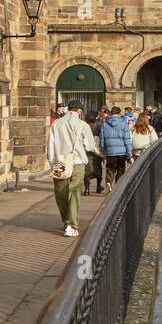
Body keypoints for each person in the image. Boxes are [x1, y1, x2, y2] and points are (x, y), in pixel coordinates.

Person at [46, 100, 97, 238]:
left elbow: (50, 146)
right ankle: (72, 225)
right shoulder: (83, 125)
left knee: (61, 193)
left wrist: (52, 162)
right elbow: (90, 146)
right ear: (79, 111)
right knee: (74, 192)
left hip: (60, 161)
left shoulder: (56, 124)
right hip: (78, 162)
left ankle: (66, 222)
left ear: (68, 109)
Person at [99, 106, 131, 189]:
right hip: (121, 151)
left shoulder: (105, 124)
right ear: (119, 113)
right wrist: (129, 151)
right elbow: (127, 139)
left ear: (111, 113)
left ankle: (109, 182)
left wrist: (102, 150)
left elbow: (102, 139)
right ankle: (118, 186)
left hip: (110, 151)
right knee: (120, 169)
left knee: (110, 169)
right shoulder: (123, 124)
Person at [82, 111, 105, 196]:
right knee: (98, 168)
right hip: (96, 149)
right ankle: (98, 186)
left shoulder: (84, 125)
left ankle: (86, 188)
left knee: (87, 170)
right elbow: (101, 136)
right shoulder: (99, 124)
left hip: (85, 150)